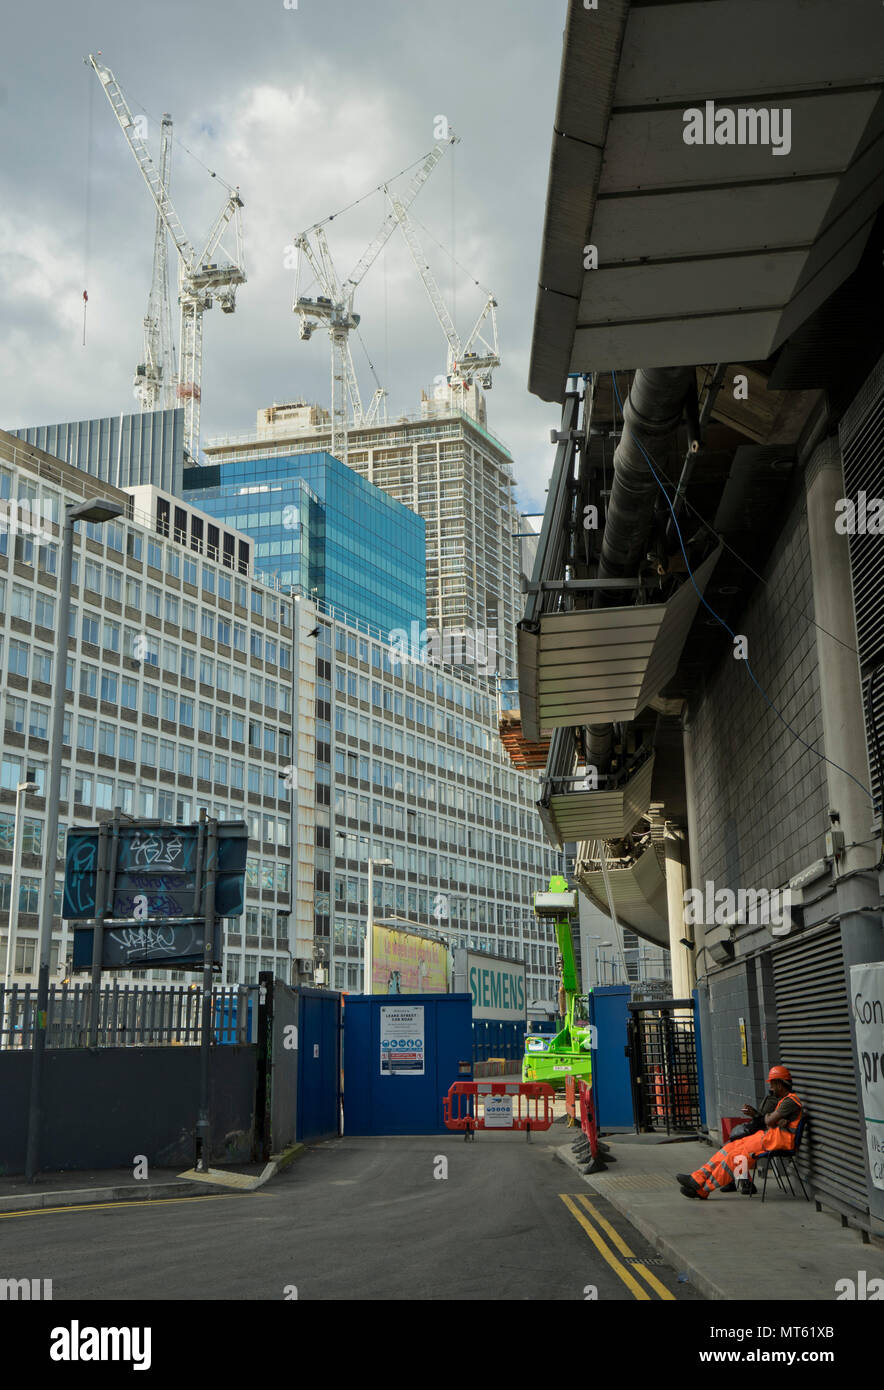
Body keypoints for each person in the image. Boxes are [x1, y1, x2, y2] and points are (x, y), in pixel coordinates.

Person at [676, 1066, 802, 1199]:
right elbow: (770, 1120)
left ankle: (703, 1190)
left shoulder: (790, 1101)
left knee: (735, 1157)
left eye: (772, 1085)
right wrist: (773, 1119)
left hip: (775, 1142)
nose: (771, 1088)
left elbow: (769, 1121)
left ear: (779, 1084)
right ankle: (698, 1177)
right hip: (769, 1138)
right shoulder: (784, 1101)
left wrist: (771, 1119)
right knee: (729, 1147)